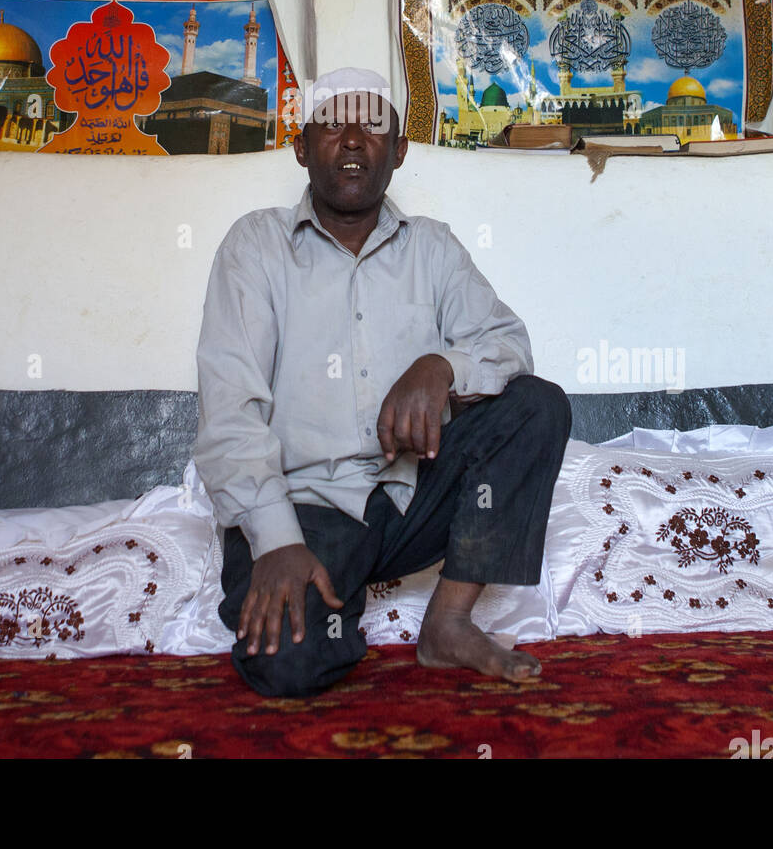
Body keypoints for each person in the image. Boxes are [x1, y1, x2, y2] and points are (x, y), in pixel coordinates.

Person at [193, 67, 572, 697]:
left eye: (372, 126)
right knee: (288, 667)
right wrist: (276, 542)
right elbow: (230, 411)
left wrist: (442, 367)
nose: (351, 139)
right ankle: (332, 599)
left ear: (397, 151)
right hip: (305, 508)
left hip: (405, 498)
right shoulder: (255, 247)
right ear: (301, 147)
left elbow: (508, 345)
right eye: (331, 124)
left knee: (536, 408)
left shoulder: (434, 249)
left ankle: (447, 623)